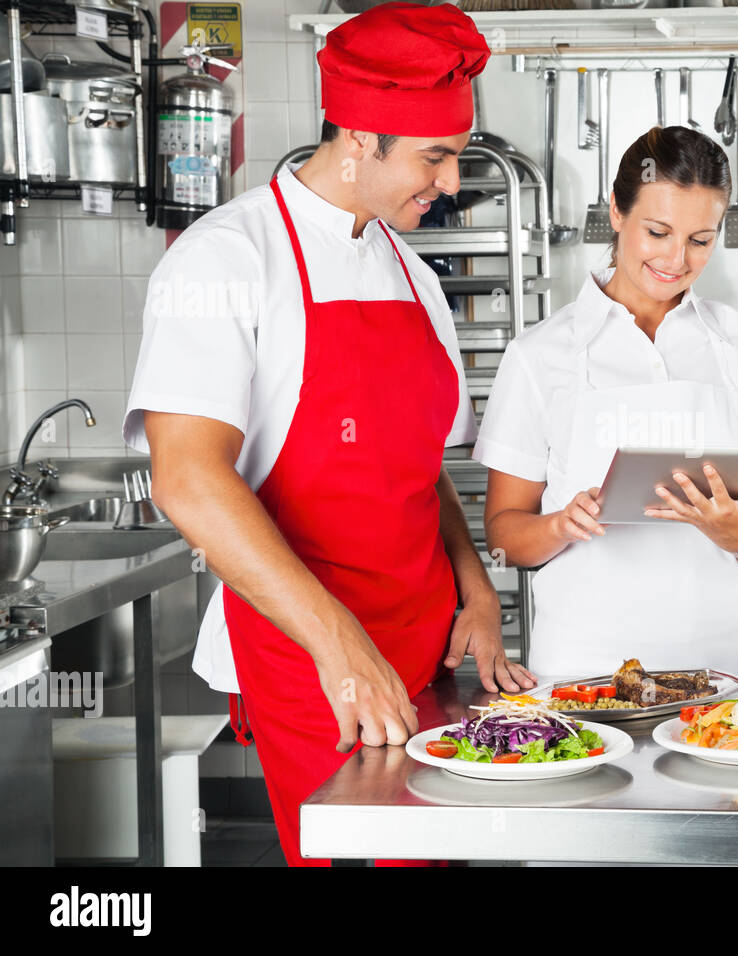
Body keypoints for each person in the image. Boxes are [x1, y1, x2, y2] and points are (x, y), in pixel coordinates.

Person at [124, 2, 533, 866]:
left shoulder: (412, 273)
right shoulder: (226, 260)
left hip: (427, 659)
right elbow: (190, 479)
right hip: (314, 664)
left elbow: (418, 475)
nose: (452, 183)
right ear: (360, 139)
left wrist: (478, 590)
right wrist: (339, 643)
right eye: (435, 156)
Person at [474, 126, 738, 678]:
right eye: (658, 231)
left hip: (731, 669)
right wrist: (559, 525)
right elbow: (506, 533)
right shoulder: (539, 355)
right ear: (617, 212)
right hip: (587, 674)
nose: (677, 259)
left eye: (701, 239)